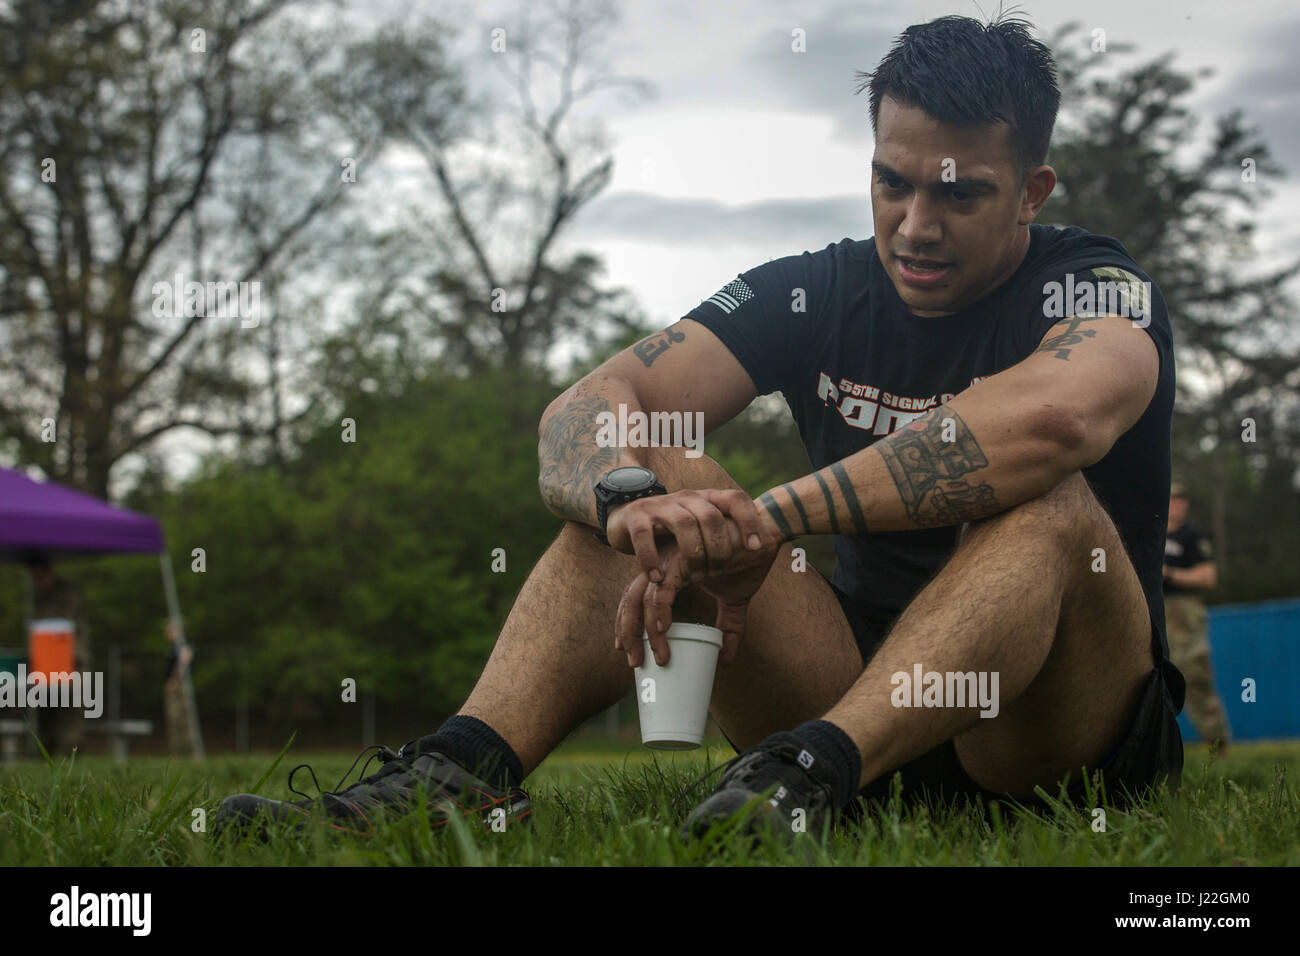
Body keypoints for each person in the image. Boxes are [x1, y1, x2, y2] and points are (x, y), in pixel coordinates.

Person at [216, 13, 1187, 838]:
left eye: (958, 192)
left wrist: (772, 515)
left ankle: (817, 763)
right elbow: (591, 403)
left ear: (1031, 192)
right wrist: (623, 500)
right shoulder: (817, 288)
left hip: (1042, 731)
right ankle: (460, 772)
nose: (914, 225)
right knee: (651, 473)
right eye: (893, 181)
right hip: (839, 696)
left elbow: (1054, 415)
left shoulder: (1091, 284)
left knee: (1047, 502)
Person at [1163, 483, 1229, 755]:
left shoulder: (1192, 537)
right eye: (1173, 499)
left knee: (1194, 674)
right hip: (1151, 608)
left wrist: (1169, 575)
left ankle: (1217, 744)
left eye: (1182, 500)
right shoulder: (1148, 531)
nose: (1178, 505)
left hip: (1184, 611)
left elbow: (1207, 576)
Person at [26, 552, 90, 755]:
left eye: (40, 576)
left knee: (71, 711)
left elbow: (70, 630)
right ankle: (45, 752)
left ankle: (72, 753)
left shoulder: (67, 594)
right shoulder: (37, 598)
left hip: (72, 659)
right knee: (45, 708)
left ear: (49, 572)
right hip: (45, 663)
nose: (37, 582)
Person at [164, 622, 195, 755]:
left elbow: (183, 665)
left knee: (180, 718)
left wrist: (175, 681)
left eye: (170, 631)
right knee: (173, 720)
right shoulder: (172, 648)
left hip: (178, 687)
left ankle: (187, 751)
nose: (168, 634)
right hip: (173, 685)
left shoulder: (183, 647)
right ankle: (176, 752)